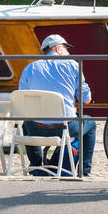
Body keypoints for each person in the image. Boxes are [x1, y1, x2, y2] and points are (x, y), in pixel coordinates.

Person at [17, 34, 96, 175]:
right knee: (90, 123)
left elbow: (23, 99)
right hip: (65, 128)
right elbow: (86, 100)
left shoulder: (30, 68)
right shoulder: (73, 65)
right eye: (66, 48)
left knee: (26, 124)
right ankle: (84, 171)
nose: (69, 52)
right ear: (59, 48)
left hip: (37, 128)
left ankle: (36, 167)